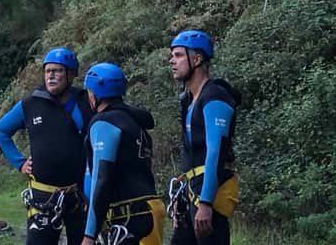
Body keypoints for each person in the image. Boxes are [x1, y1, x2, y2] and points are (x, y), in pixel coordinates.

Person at [0, 47, 93, 245]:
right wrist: (19, 162)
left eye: (57, 71)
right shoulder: (30, 104)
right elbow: (0, 132)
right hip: (43, 196)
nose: (51, 76)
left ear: (71, 74)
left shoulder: (86, 101)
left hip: (80, 196)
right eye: (48, 71)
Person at [167, 30, 241, 245]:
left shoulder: (215, 96)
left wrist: (206, 203)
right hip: (192, 193)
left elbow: (215, 152)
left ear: (197, 59)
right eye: (172, 55)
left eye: (179, 55)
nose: (172, 60)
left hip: (209, 196)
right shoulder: (189, 100)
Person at [80, 63, 165, 245]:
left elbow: (101, 179)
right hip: (148, 209)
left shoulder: (104, 123)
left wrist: (89, 235)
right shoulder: (132, 120)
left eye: (89, 91)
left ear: (95, 93)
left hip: (132, 215)